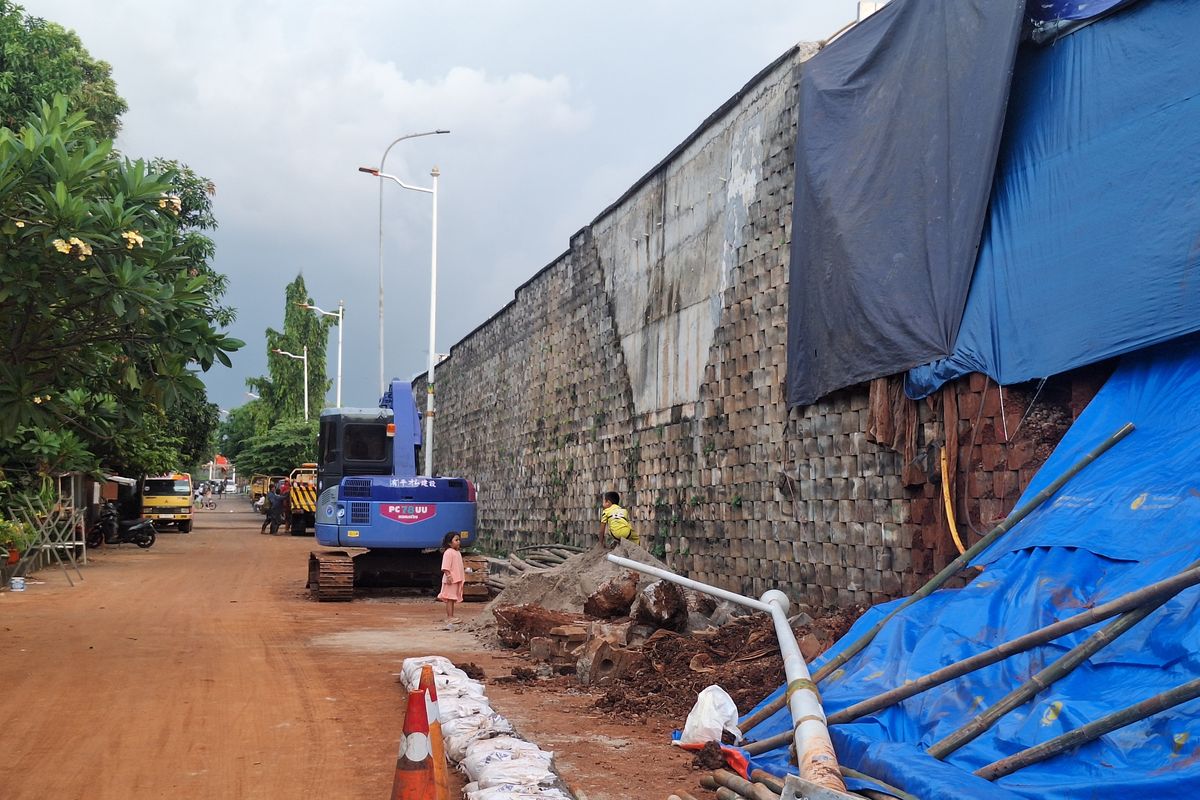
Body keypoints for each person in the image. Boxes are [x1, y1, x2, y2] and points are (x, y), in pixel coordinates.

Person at [438, 532, 465, 626]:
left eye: (459, 540)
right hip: (451, 580)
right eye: (456, 540)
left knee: (452, 599)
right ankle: (449, 617)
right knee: (450, 598)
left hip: (456, 579)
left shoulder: (457, 552)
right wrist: (448, 576)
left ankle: (451, 616)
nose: (458, 542)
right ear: (449, 543)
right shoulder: (448, 553)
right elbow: (445, 567)